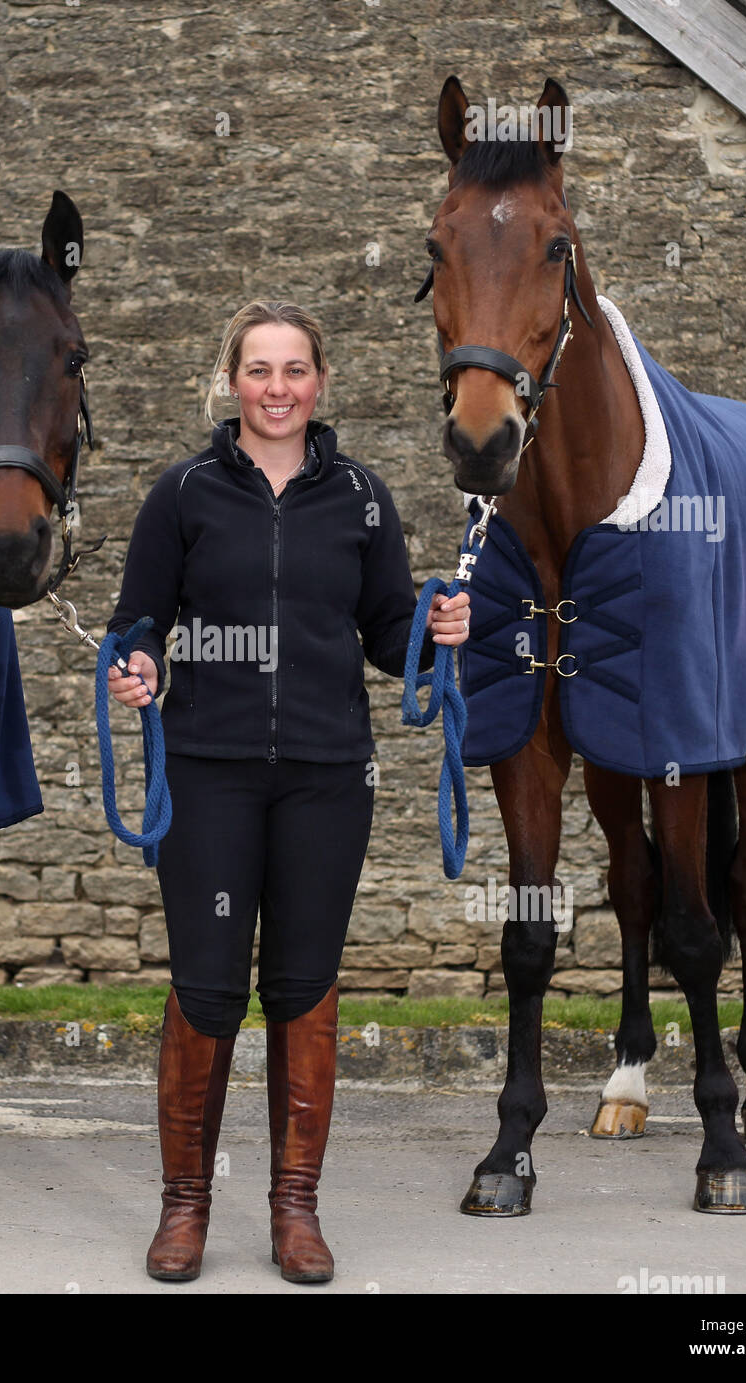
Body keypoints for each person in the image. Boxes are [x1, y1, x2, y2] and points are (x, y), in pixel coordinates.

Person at [106, 301, 470, 1284]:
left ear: (320, 383)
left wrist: (433, 634)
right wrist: (134, 665)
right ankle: (184, 1209)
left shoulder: (360, 499)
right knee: (208, 984)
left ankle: (295, 1212)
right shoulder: (182, 495)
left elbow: (389, 629)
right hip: (207, 773)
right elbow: (139, 618)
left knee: (302, 986)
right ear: (231, 381)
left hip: (325, 780)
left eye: (295, 370)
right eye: (259, 369)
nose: (277, 388)